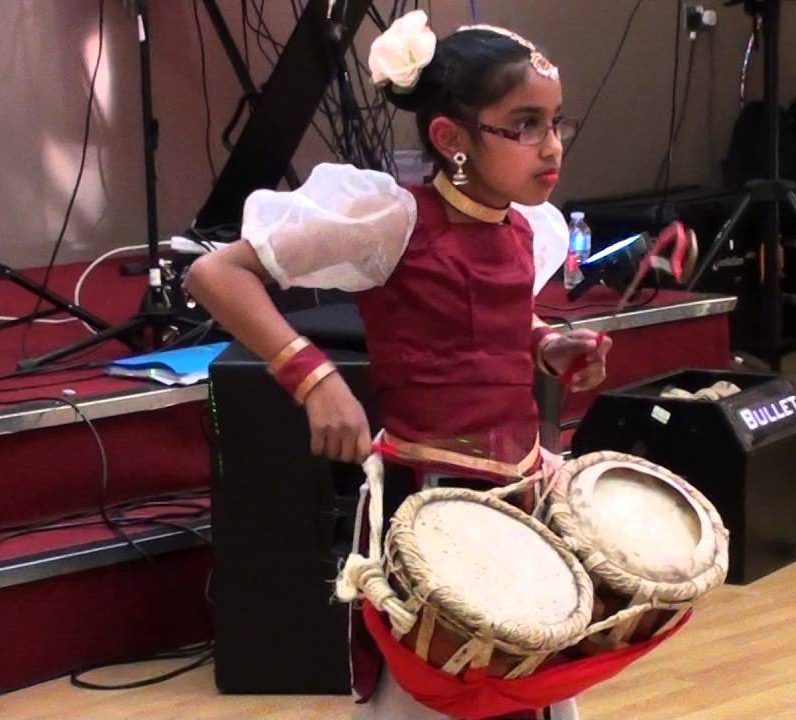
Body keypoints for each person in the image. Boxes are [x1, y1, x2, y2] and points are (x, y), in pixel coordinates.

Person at [187, 11, 610, 719]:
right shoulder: (395, 221)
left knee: (528, 690)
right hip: (430, 504)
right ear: (451, 139)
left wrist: (546, 343)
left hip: (522, 495)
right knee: (435, 693)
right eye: (526, 124)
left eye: (557, 123)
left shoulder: (523, 224)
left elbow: (496, 318)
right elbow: (215, 274)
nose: (552, 146)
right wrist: (313, 378)